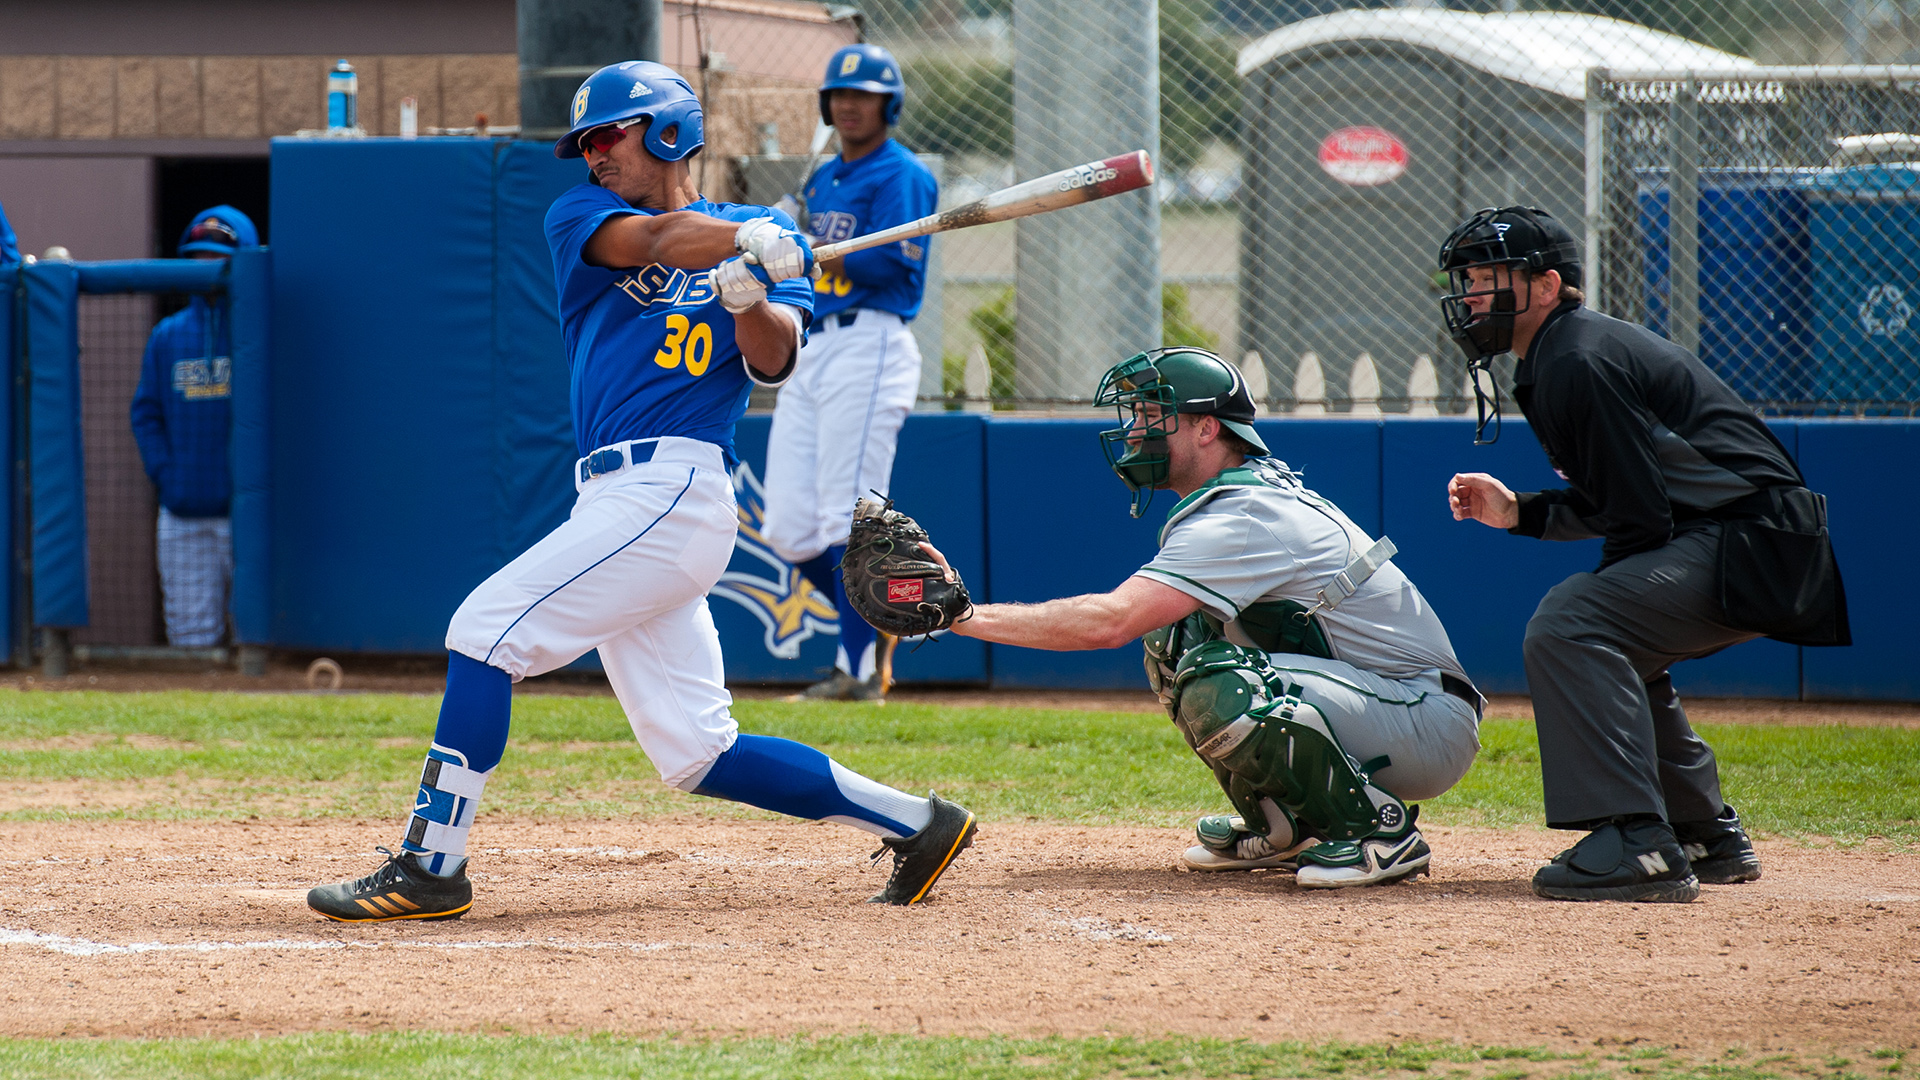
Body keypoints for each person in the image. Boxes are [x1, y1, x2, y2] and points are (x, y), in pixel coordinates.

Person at [306, 62, 976, 922]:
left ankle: (431, 866)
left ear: (666, 131)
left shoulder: (763, 231)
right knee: (697, 751)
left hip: (675, 488)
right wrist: (739, 247)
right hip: (616, 501)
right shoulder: (582, 214)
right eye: (585, 141)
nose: (592, 154)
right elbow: (657, 243)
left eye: (606, 135)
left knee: (483, 631)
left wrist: (748, 298)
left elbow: (774, 358)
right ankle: (920, 823)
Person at [931, 348, 1482, 888]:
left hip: (1425, 719)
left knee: (1221, 678)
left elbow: (1110, 622)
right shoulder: (1242, 496)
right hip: (1382, 701)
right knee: (1175, 641)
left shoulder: (1245, 514)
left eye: (1152, 416)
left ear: (1206, 429)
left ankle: (1375, 832)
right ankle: (1288, 826)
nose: (1133, 431)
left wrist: (966, 615)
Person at [1438, 205, 1848, 903]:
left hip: (1752, 543)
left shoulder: (1576, 358)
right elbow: (1629, 501)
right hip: (1752, 539)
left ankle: (1636, 841)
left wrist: (1597, 614)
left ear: (1544, 287)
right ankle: (1701, 832)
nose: (1473, 295)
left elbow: (1640, 517)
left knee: (1574, 624)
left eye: (1488, 278)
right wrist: (1520, 512)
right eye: (1470, 279)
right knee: (1605, 633)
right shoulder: (1563, 351)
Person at [761, 43, 938, 702]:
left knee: (851, 515)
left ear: (886, 105)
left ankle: (857, 669)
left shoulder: (903, 174)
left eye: (863, 96)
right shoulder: (823, 177)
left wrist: (808, 246)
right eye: (840, 95)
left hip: (872, 341)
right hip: (811, 345)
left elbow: (895, 265)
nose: (849, 106)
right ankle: (868, 620)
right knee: (786, 525)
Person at [130, 206, 259, 647]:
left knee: (255, 634)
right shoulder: (168, 335)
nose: (205, 268)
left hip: (248, 515)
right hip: (183, 511)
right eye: (197, 257)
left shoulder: (258, 331)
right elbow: (146, 413)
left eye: (217, 258)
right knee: (190, 635)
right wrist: (168, 477)